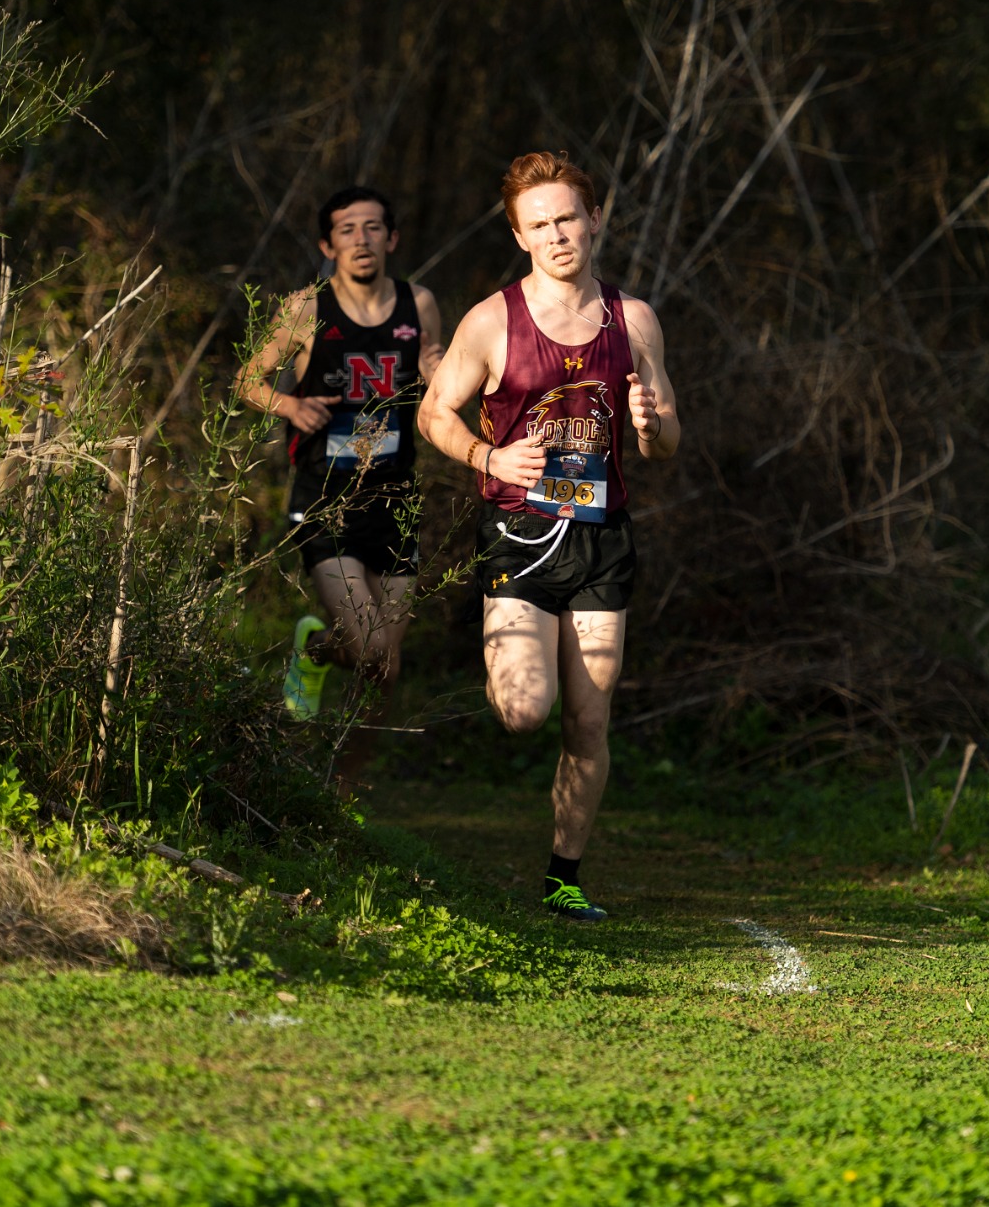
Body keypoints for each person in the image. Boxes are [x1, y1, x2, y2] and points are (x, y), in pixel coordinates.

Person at [417, 152, 680, 922]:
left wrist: (653, 425)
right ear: (519, 235)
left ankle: (563, 877)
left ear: (594, 219)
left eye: (568, 217)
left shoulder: (634, 320)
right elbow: (435, 412)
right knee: (526, 709)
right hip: (519, 533)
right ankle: (500, 654)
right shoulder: (493, 320)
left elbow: (667, 440)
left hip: (601, 536)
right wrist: (486, 453)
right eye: (540, 224)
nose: (558, 234)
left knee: (588, 721)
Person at [236, 186, 443, 735]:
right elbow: (245, 381)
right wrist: (290, 404)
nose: (361, 239)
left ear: (391, 238)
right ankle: (317, 648)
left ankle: (349, 793)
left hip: (395, 496)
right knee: (372, 650)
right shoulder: (307, 306)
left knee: (384, 668)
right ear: (328, 245)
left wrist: (435, 373)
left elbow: (432, 382)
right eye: (347, 230)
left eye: (373, 227)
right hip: (325, 498)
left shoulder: (417, 303)